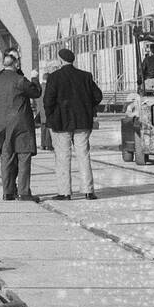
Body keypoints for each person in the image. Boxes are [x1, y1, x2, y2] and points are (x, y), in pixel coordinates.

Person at [43, 47, 103, 200]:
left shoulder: (54, 77)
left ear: (61, 60)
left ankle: (65, 192)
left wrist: (51, 115)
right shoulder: (85, 76)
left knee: (63, 156)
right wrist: (88, 107)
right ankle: (88, 191)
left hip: (60, 123)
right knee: (83, 155)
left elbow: (48, 101)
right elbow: (98, 96)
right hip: (83, 121)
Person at [0, 50, 42, 200]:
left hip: (2, 126)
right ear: (16, 64)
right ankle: (24, 192)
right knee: (24, 156)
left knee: (6, 158)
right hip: (21, 124)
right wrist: (35, 78)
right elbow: (36, 92)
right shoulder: (20, 80)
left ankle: (8, 192)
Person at [32, 72, 52, 149]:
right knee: (48, 128)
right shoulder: (48, 87)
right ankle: (48, 144)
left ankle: (43, 144)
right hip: (47, 110)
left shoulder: (40, 87)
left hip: (40, 110)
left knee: (43, 128)